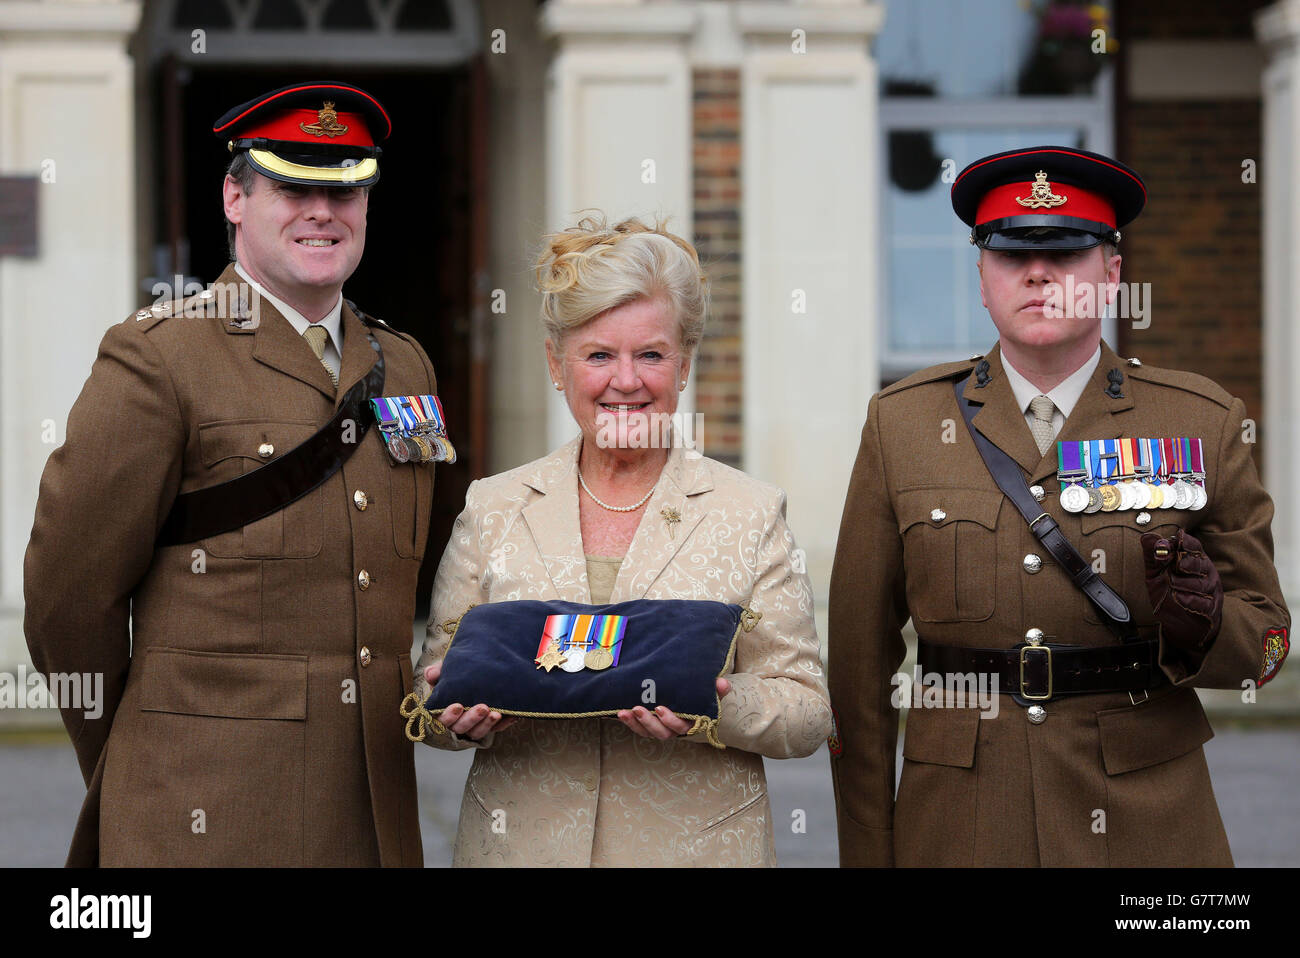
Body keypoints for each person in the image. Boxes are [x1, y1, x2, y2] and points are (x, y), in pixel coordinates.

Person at [828, 145, 1291, 867]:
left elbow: (1267, 649)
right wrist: (867, 854)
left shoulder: (1201, 421)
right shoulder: (904, 425)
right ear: (982, 277)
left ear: (1111, 274)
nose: (1039, 274)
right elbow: (858, 674)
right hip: (959, 822)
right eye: (1012, 255)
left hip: (1148, 825)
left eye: (1068, 253)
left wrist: (1206, 629)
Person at [24, 82, 441, 866]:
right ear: (235, 198)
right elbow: (67, 598)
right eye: (293, 186)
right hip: (206, 812)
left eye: (346, 189)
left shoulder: (404, 364)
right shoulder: (159, 356)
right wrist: (143, 744)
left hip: (376, 820)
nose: (324, 210)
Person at [413, 214, 831, 866]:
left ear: (685, 364)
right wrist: (453, 718)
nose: (627, 381)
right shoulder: (492, 507)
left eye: (652, 355)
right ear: (557, 364)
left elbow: (808, 713)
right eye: (600, 354)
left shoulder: (749, 514)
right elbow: (429, 699)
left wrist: (710, 707)